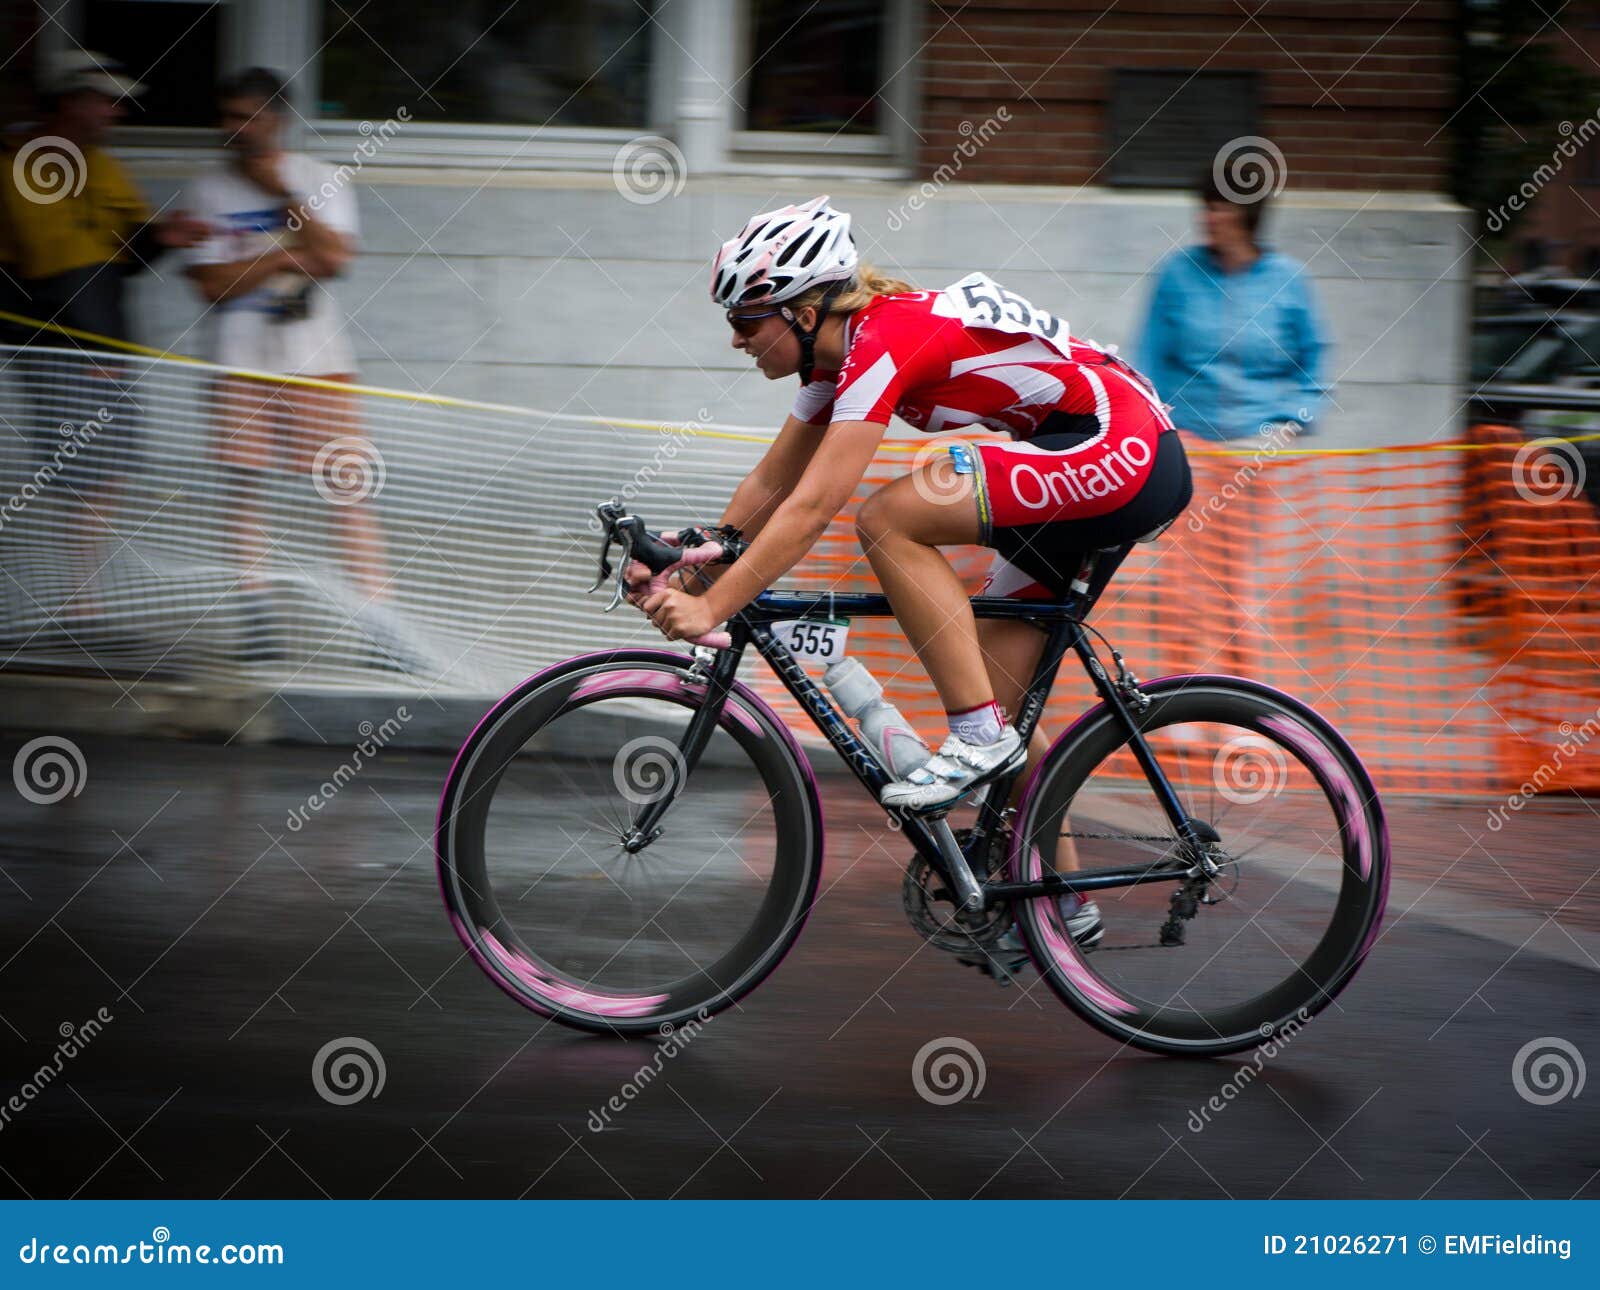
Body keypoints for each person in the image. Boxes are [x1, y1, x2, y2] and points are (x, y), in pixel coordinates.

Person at [632, 196, 1193, 943]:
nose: (735, 339)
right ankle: (1065, 904)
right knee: (1004, 704)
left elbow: (814, 507)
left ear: (803, 309)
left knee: (890, 516)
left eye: (744, 321)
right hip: (1076, 456)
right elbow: (774, 486)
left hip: (1119, 448)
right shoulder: (837, 359)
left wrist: (712, 609)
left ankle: (975, 735)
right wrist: (708, 549)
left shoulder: (884, 337)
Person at [0, 51, 207, 623]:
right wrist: (94, 349)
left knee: (107, 468)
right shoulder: (20, 165)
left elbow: (129, 252)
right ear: (72, 100)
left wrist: (169, 235)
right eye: (106, 100)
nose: (117, 112)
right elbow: (51, 274)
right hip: (59, 343)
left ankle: (80, 598)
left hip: (103, 343)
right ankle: (78, 604)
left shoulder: (101, 165)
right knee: (85, 469)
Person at [180, 67, 387, 633]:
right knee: (245, 484)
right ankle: (257, 613)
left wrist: (283, 196)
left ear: (277, 119)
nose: (236, 128)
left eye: (248, 116)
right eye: (227, 117)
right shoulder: (206, 190)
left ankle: (379, 620)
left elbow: (334, 259)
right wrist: (276, 259)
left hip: (319, 362)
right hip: (239, 363)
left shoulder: (319, 179)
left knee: (347, 486)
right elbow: (209, 284)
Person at [1134, 171, 1328, 442]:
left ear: (1245, 215)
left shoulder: (1289, 279)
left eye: (1217, 209)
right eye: (1204, 208)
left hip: (1263, 446)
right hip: (1187, 443)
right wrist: (1156, 427)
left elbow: (1314, 360)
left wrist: (1292, 423)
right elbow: (1149, 356)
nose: (1205, 219)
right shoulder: (1176, 273)